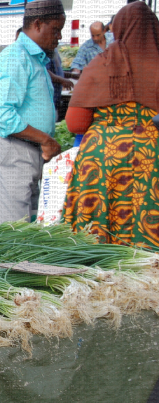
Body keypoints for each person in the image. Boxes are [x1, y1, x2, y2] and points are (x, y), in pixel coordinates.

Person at [63, 1, 159, 248]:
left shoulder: (100, 63)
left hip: (101, 160)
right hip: (151, 157)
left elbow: (75, 123)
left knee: (94, 242)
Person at [0, 0, 65, 225]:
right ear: (38, 24)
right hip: (11, 146)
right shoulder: (14, 58)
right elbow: (0, 114)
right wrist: (45, 139)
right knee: (12, 232)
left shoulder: (34, 59)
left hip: (27, 147)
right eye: (55, 30)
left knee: (25, 228)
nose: (59, 37)